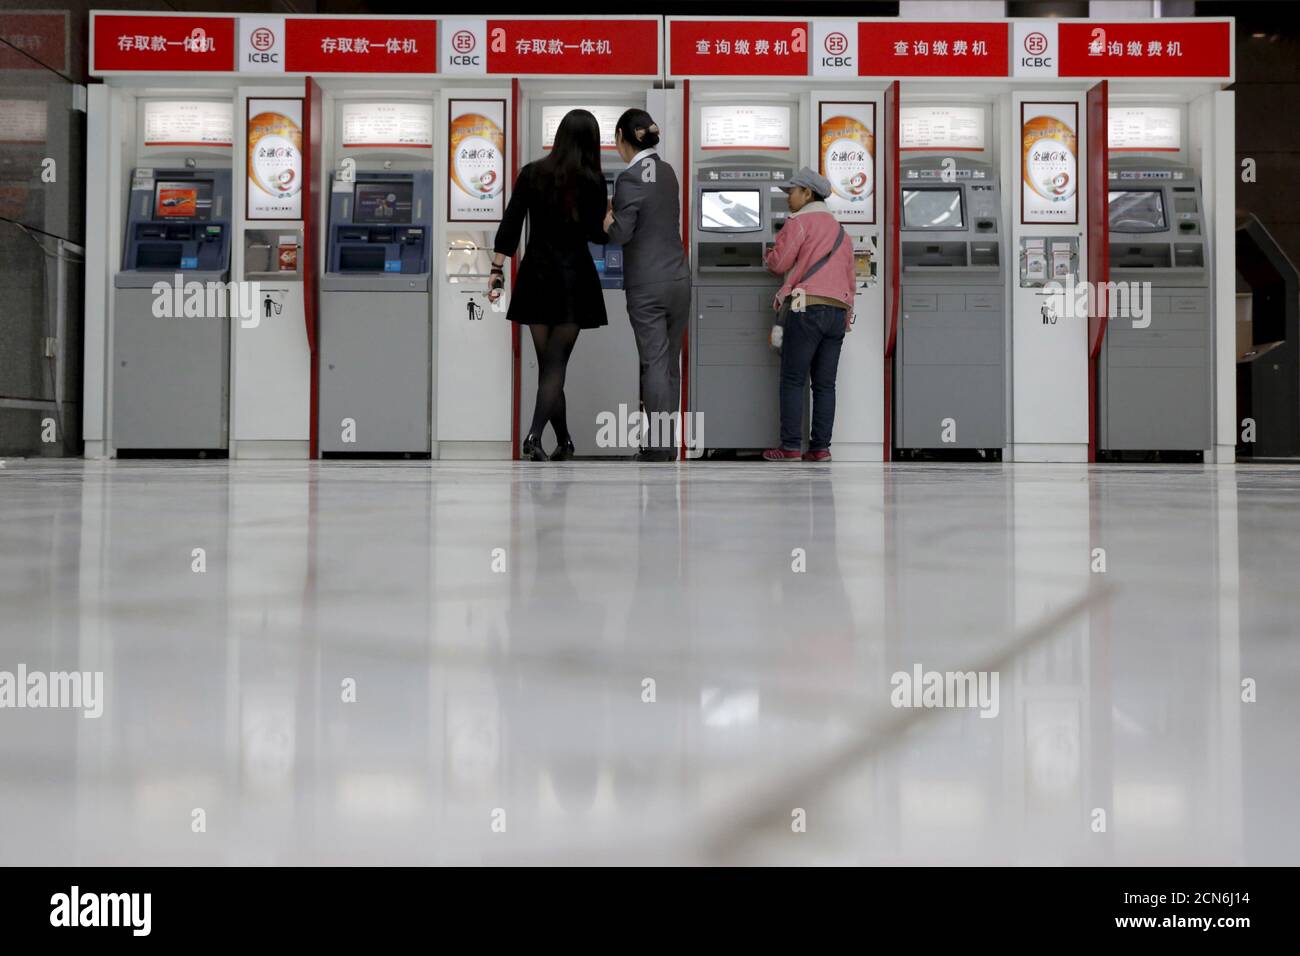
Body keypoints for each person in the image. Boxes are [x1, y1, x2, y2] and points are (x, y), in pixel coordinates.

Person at [489, 109, 608, 461]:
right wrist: (609, 218)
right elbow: (596, 236)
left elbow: (511, 223)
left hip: (536, 275)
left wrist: (496, 268)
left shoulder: (531, 173)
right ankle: (534, 436)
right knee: (555, 366)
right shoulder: (593, 179)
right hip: (573, 278)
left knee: (549, 365)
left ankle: (565, 440)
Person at [603, 109, 691, 463]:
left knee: (653, 363)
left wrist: (608, 216)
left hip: (647, 285)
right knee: (670, 364)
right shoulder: (668, 172)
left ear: (622, 136)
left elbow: (621, 234)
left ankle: (657, 447)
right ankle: (668, 444)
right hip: (679, 279)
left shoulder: (628, 177)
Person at [761, 167, 855, 463]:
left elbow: (780, 263)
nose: (788, 197)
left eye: (792, 192)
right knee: (825, 384)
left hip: (806, 307)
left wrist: (767, 254)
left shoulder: (799, 223)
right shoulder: (841, 231)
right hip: (838, 313)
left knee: (792, 379)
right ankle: (820, 448)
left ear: (807, 193)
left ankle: (789, 447)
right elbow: (850, 279)